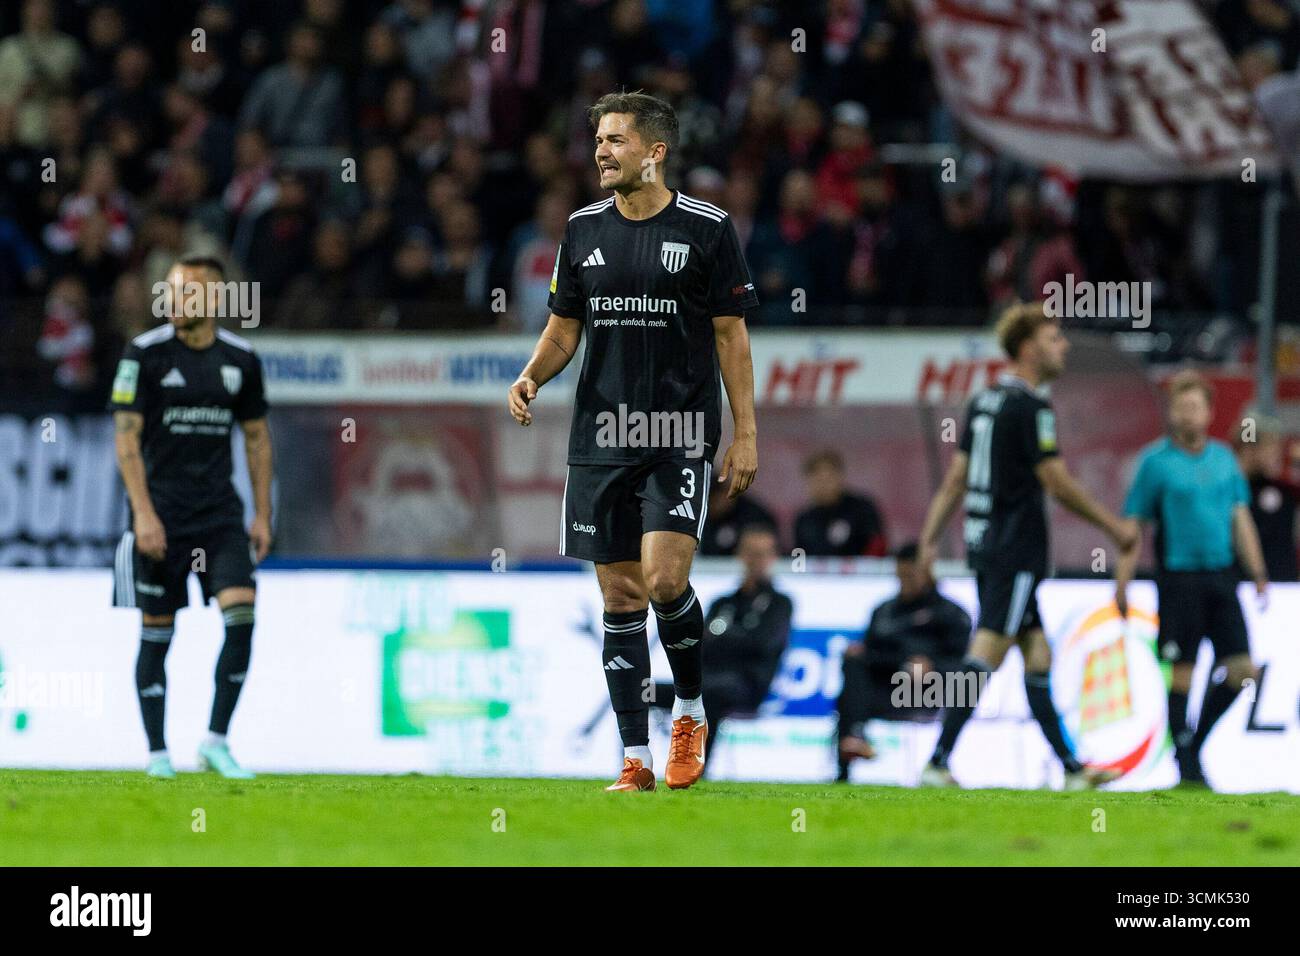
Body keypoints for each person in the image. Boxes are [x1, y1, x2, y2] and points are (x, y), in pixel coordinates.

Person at [507, 91, 759, 793]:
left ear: (655, 152)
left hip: (678, 435)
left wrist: (745, 434)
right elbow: (564, 329)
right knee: (620, 600)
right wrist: (530, 376)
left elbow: (730, 337)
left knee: (664, 581)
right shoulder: (582, 228)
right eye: (597, 140)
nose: (600, 151)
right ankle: (635, 760)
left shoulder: (708, 229)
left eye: (615, 140)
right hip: (600, 438)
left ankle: (689, 707)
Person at [916, 302, 1136, 789]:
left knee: (1037, 654)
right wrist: (1113, 526)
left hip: (985, 543)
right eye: (1055, 338)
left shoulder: (984, 401)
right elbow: (1055, 481)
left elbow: (955, 479)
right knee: (988, 649)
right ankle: (937, 762)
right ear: (1029, 347)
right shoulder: (1032, 407)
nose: (1064, 346)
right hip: (1015, 549)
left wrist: (929, 540)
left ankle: (1074, 771)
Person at [109, 255, 273, 779]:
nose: (174, 302)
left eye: (186, 293)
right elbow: (126, 438)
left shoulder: (241, 359)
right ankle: (158, 754)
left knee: (242, 618)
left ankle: (215, 742)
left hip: (220, 518)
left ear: (215, 300)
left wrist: (262, 515)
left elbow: (256, 439)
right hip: (162, 517)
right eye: (171, 292)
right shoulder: (144, 353)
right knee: (157, 633)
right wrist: (143, 516)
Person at [1115, 371, 1269, 786]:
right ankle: (1187, 767)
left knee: (1243, 672)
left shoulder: (1224, 460)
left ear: (1209, 412)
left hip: (1222, 578)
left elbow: (1241, 518)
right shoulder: (1155, 463)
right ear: (1171, 413)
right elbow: (1133, 526)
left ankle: (1191, 748)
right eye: (1181, 406)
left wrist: (1257, 571)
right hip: (1177, 580)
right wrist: (1122, 582)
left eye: (1195, 406)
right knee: (1182, 673)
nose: (1188, 414)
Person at [652, 525, 791, 771]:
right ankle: (636, 765)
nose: (755, 560)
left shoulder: (780, 604)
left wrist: (724, 637)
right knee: (644, 691)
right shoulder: (723, 602)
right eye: (750, 552)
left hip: (748, 686)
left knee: (710, 694)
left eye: (762, 553)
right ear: (740, 555)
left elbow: (762, 645)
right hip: (705, 681)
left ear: (773, 558)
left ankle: (695, 769)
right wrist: (735, 638)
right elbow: (701, 645)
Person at [836, 542, 971, 781]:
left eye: (911, 575)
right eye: (901, 576)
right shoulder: (883, 612)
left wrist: (933, 667)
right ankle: (850, 752)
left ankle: (940, 760)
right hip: (888, 688)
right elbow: (871, 654)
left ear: (927, 571)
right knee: (854, 666)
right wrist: (903, 662)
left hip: (929, 691)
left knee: (967, 683)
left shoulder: (952, 614)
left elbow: (965, 666)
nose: (905, 582)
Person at [1235, 415, 1299, 582]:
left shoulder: (1285, 486)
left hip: (1282, 581)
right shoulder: (1231, 486)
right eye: (1270, 447)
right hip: (1241, 580)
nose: (1276, 454)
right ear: (1250, 450)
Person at [793, 449, 888, 556]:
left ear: (840, 477)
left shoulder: (861, 509)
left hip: (860, 572)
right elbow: (798, 557)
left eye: (827, 479)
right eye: (817, 479)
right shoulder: (804, 520)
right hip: (814, 573)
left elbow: (877, 545)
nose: (823, 485)